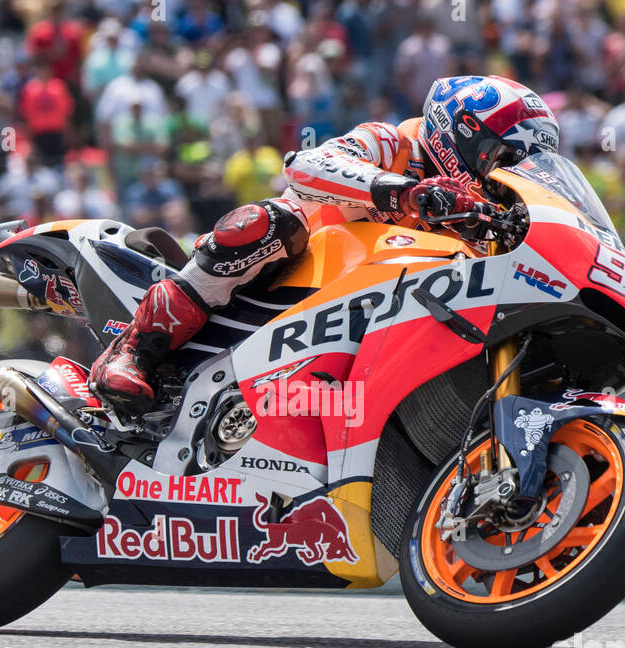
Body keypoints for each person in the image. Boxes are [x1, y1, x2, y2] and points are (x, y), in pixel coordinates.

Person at [90, 75, 561, 417]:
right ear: (461, 132)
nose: (504, 179)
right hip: (285, 285)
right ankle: (135, 349)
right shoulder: (392, 144)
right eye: (503, 160)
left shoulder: (482, 228)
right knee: (272, 221)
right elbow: (305, 164)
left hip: (359, 345)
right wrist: (401, 192)